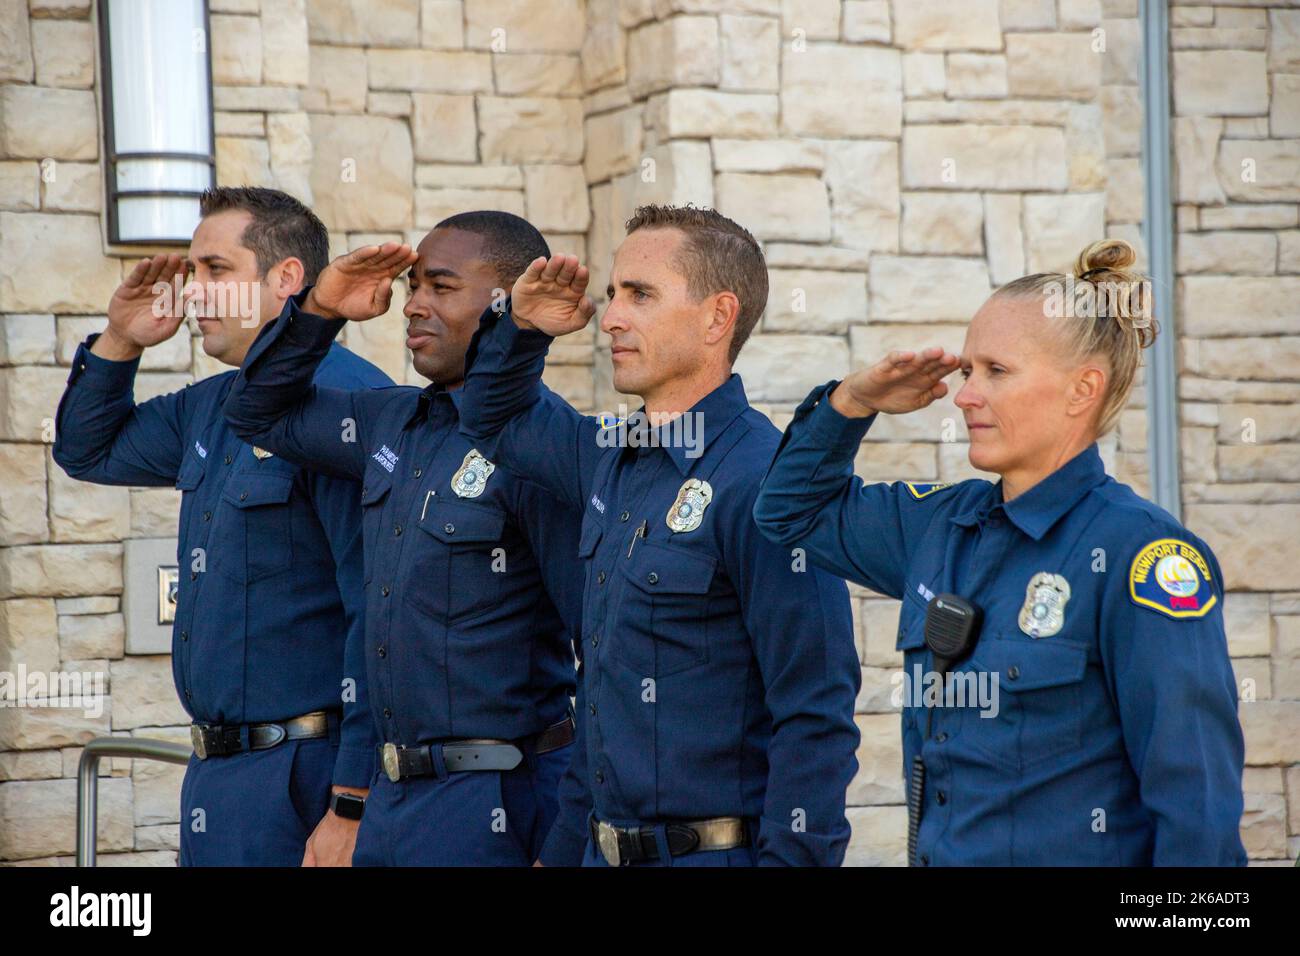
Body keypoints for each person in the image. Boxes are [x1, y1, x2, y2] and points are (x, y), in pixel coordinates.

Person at [753, 238, 1247, 866]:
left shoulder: (1144, 558)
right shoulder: (939, 526)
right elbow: (788, 513)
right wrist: (853, 401)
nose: (964, 395)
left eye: (997, 371)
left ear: (1081, 390)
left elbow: (1195, 806)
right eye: (967, 372)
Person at [453, 204, 860, 867]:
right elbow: (492, 418)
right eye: (614, 294)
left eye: (640, 295)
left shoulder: (767, 486)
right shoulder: (611, 456)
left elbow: (814, 713)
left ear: (717, 317)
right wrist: (520, 327)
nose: (611, 318)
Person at [223, 212, 584, 866]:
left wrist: (563, 843)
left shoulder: (545, 445)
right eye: (413, 285)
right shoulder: (389, 421)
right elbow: (255, 413)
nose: (413, 305)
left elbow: (605, 654)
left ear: (507, 302)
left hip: (498, 800)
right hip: (394, 801)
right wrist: (321, 309)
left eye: (441, 288)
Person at [53, 186, 390, 865]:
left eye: (215, 270)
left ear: (286, 280)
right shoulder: (214, 403)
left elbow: (377, 616)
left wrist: (351, 799)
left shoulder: (348, 403)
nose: (193, 293)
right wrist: (120, 341)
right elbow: (88, 450)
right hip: (218, 773)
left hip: (304, 776)